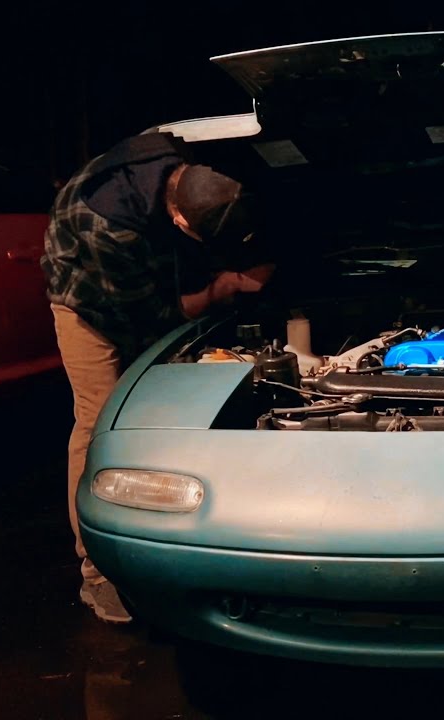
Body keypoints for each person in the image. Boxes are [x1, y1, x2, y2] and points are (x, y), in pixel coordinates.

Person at [42, 131, 275, 623]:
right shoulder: (108, 224)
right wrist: (222, 288)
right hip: (87, 298)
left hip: (139, 274)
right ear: (176, 218)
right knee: (101, 420)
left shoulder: (181, 163)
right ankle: (98, 575)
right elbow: (150, 316)